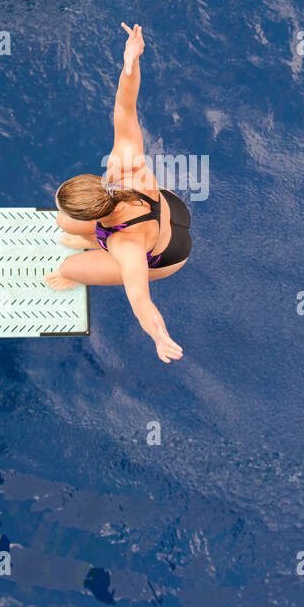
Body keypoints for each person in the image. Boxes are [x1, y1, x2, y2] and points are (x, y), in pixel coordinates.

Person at [45, 23, 191, 363]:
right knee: (62, 223)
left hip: (165, 253)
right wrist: (130, 63)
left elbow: (141, 300)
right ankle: (91, 241)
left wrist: (159, 335)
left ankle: (81, 264)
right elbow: (126, 107)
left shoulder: (126, 247)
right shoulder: (125, 167)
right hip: (166, 208)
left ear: (95, 216)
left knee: (70, 266)